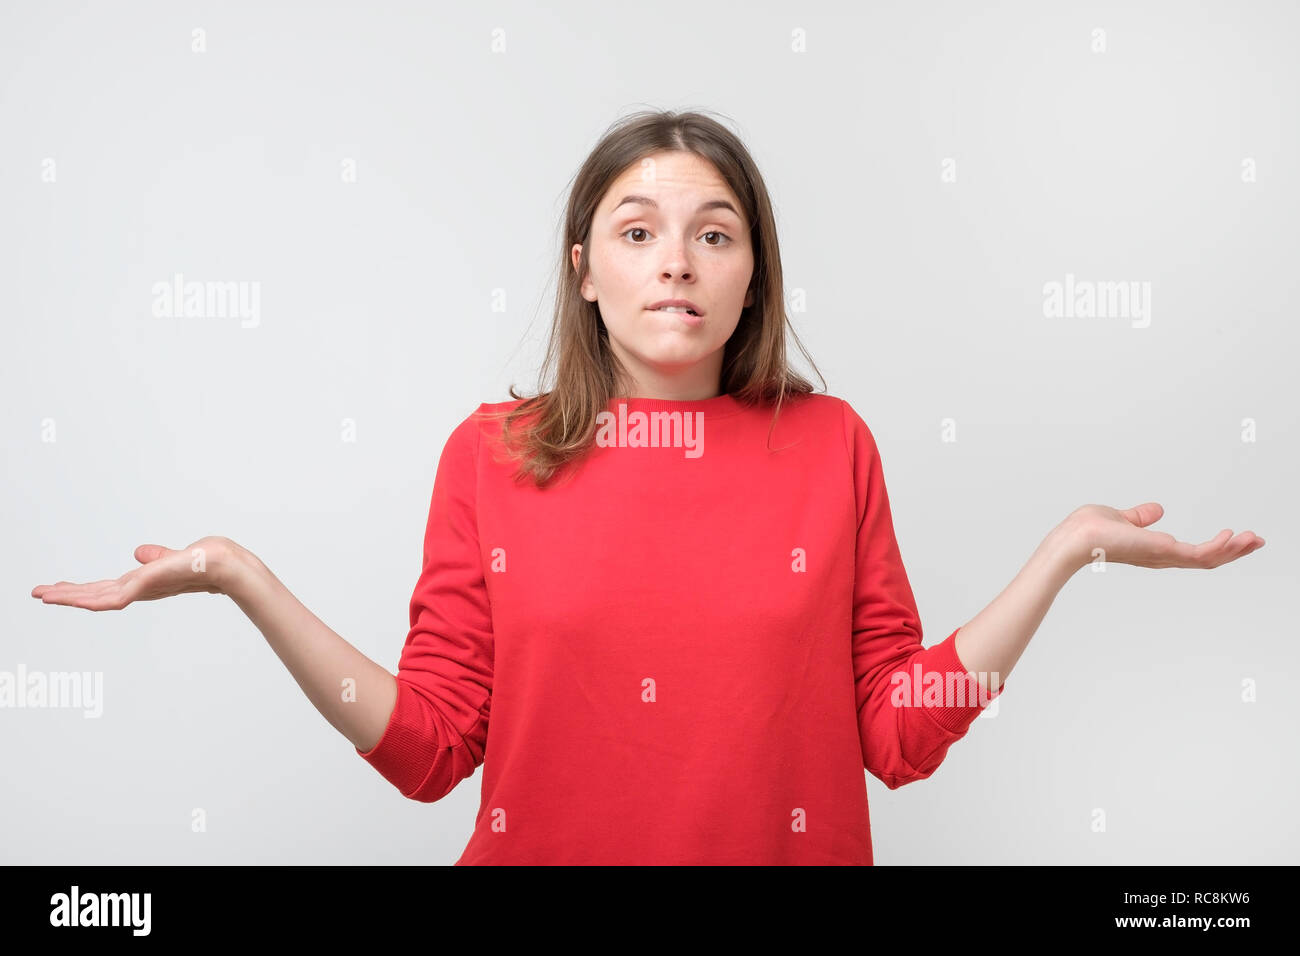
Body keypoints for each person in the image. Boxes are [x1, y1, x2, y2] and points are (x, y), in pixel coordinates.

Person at [31, 109, 1265, 865]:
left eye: (714, 233)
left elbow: (894, 732)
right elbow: (430, 749)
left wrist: (1059, 556)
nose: (675, 259)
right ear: (584, 270)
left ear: (750, 275)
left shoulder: (831, 444)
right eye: (636, 230)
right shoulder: (491, 454)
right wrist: (243, 578)